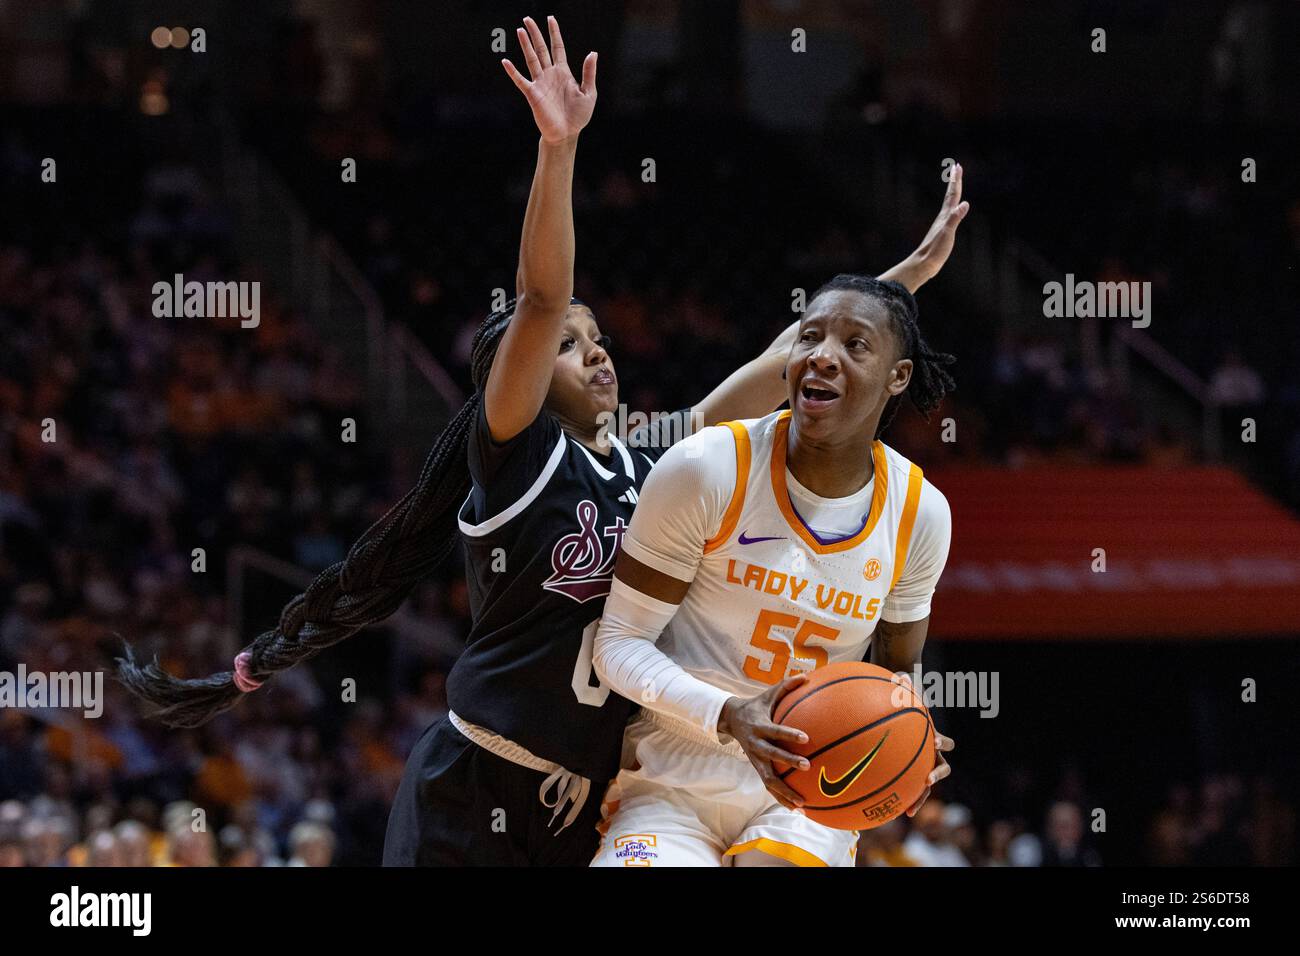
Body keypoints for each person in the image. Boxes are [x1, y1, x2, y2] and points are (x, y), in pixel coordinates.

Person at [117, 15, 968, 865]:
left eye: (596, 337)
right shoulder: (518, 454)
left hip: (585, 791)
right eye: (569, 344)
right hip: (478, 774)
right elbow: (539, 298)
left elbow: (782, 360)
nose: (590, 348)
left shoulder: (655, 463)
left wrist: (898, 293)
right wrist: (558, 151)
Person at [590, 274, 957, 866]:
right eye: (809, 337)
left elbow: (895, 672)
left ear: (899, 377)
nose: (823, 357)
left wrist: (910, 738)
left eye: (855, 345)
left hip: (814, 781)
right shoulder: (707, 469)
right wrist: (730, 715)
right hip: (674, 768)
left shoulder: (920, 513)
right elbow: (617, 644)